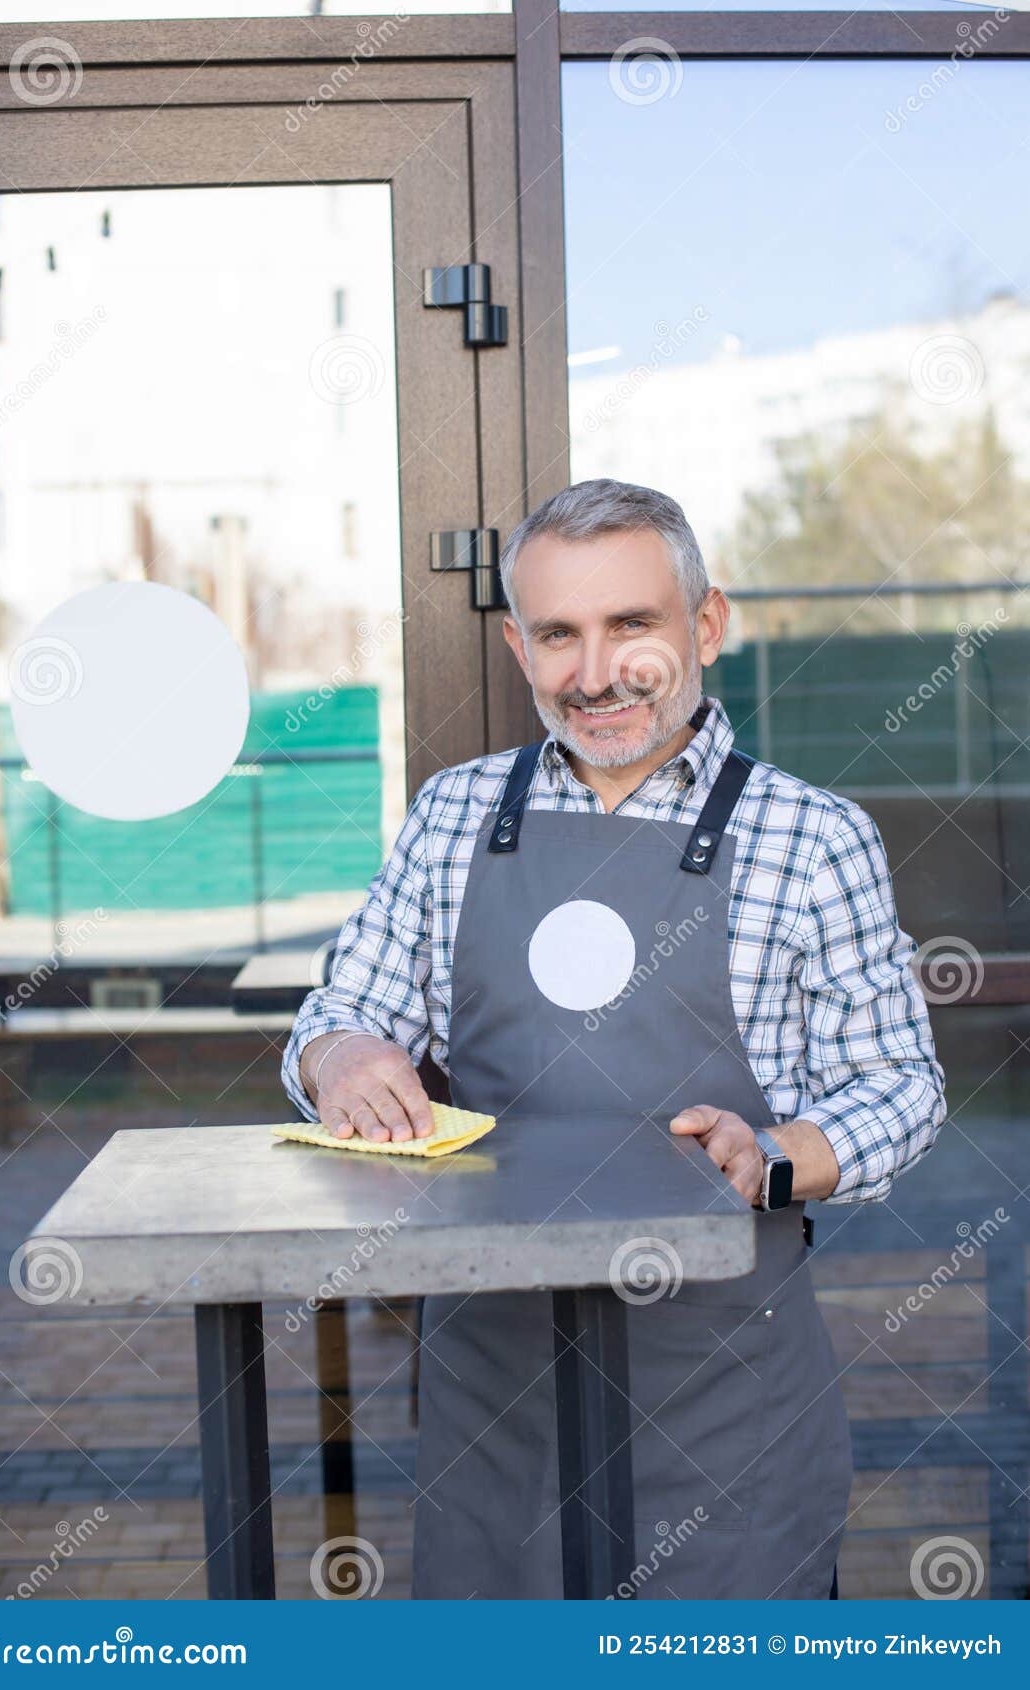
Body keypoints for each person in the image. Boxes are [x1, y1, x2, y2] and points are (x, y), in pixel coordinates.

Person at [281, 477, 946, 1600]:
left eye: (630, 624)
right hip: (493, 1390)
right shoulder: (451, 815)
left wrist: (776, 1152)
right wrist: (342, 1058)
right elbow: (336, 1015)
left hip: (723, 1392)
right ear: (515, 645)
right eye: (557, 635)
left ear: (705, 623)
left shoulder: (812, 837)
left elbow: (899, 1085)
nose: (593, 674)